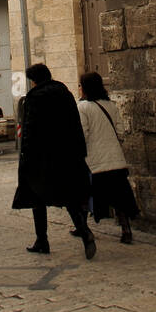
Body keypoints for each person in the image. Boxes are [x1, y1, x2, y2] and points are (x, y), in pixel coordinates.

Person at [12, 63, 97, 259]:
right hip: (67, 154)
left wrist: (25, 157)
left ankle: (42, 240)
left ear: (34, 80)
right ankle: (84, 232)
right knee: (69, 196)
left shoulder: (34, 98)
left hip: (41, 157)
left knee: (36, 197)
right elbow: (74, 123)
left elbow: (30, 130)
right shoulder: (64, 93)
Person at [76, 72, 139, 244]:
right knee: (120, 198)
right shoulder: (111, 105)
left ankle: (82, 227)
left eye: (80, 85)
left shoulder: (82, 108)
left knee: (84, 196)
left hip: (95, 162)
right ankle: (126, 230)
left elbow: (83, 134)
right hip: (115, 159)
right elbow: (120, 132)